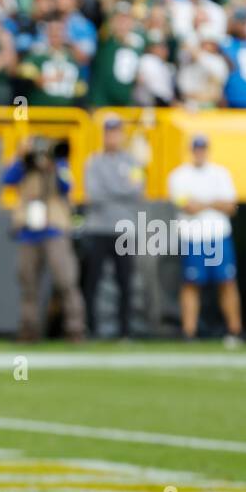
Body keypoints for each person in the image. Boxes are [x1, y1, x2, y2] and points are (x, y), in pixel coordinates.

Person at [1, 137, 85, 342]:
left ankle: (75, 329)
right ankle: (28, 330)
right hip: (28, 229)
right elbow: (6, 180)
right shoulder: (24, 165)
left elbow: (66, 186)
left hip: (54, 227)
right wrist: (22, 158)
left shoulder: (59, 164)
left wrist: (53, 166)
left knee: (66, 281)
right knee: (28, 284)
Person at [167, 134, 243, 346]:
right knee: (191, 283)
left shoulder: (220, 173)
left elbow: (230, 206)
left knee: (227, 282)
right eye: (196, 148)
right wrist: (213, 203)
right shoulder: (179, 175)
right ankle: (189, 333)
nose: (199, 152)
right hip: (193, 236)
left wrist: (202, 203)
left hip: (217, 235)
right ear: (191, 150)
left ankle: (234, 331)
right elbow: (186, 205)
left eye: (202, 148)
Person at [81, 116, 144, 339]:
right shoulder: (94, 161)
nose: (113, 137)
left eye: (116, 132)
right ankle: (90, 328)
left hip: (125, 229)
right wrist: (122, 189)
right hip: (98, 228)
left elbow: (137, 191)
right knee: (92, 281)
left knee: (125, 282)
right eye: (109, 132)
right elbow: (94, 194)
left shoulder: (132, 162)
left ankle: (125, 331)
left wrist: (113, 190)